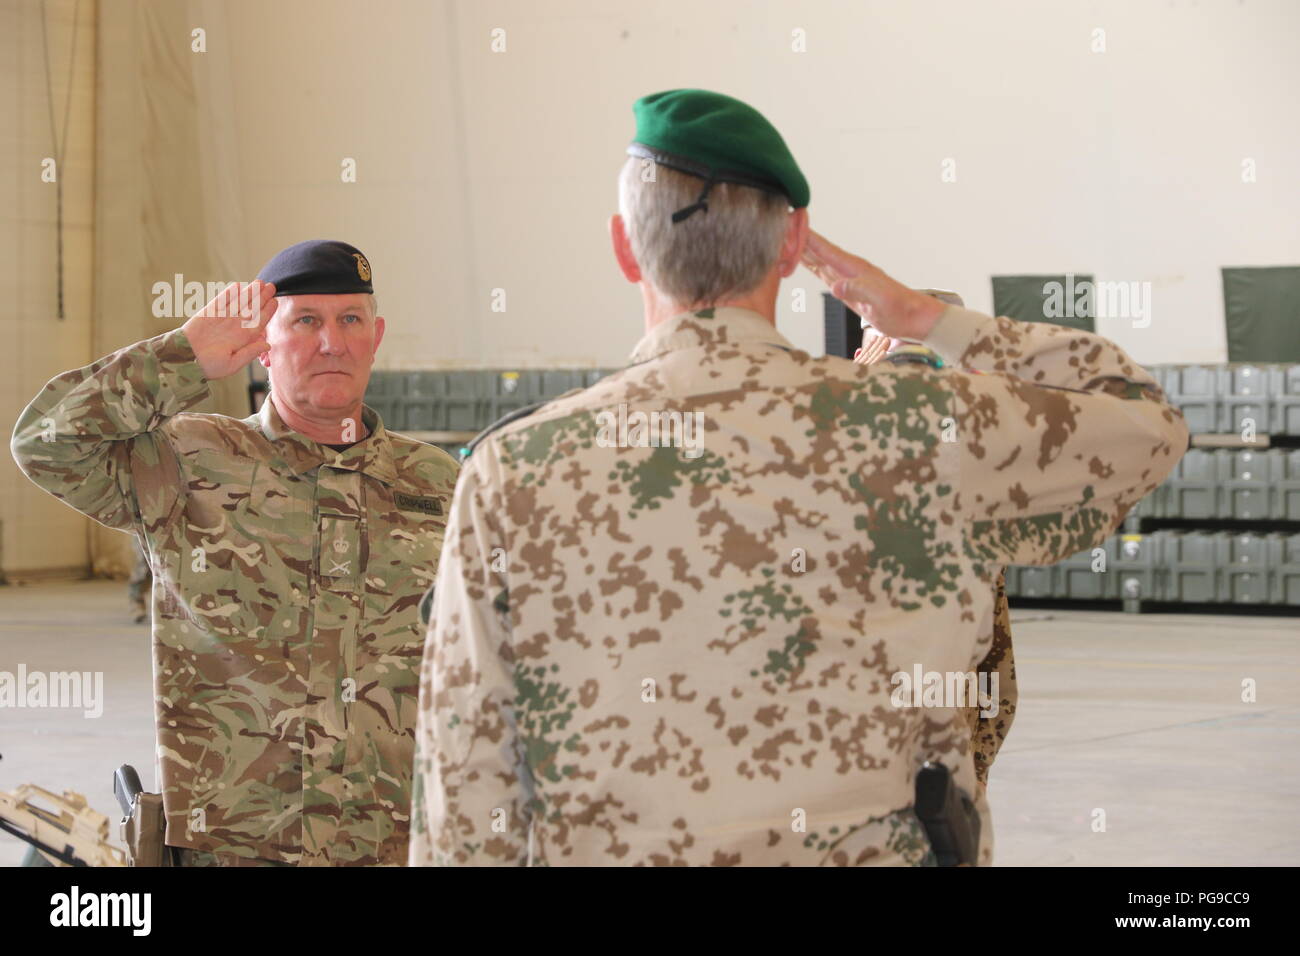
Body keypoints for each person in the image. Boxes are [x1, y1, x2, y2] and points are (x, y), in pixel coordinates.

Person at [409, 89, 1188, 866]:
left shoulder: (512, 473)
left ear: (623, 247)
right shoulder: (921, 427)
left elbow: (466, 778)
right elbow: (1144, 419)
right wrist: (920, 318)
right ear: (793, 245)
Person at [11, 240, 459, 866]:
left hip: (395, 846)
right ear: (262, 343)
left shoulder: (437, 482)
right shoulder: (188, 461)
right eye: (306, 321)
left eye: (350, 320)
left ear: (376, 335)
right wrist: (181, 358)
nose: (332, 342)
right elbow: (44, 441)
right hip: (235, 849)